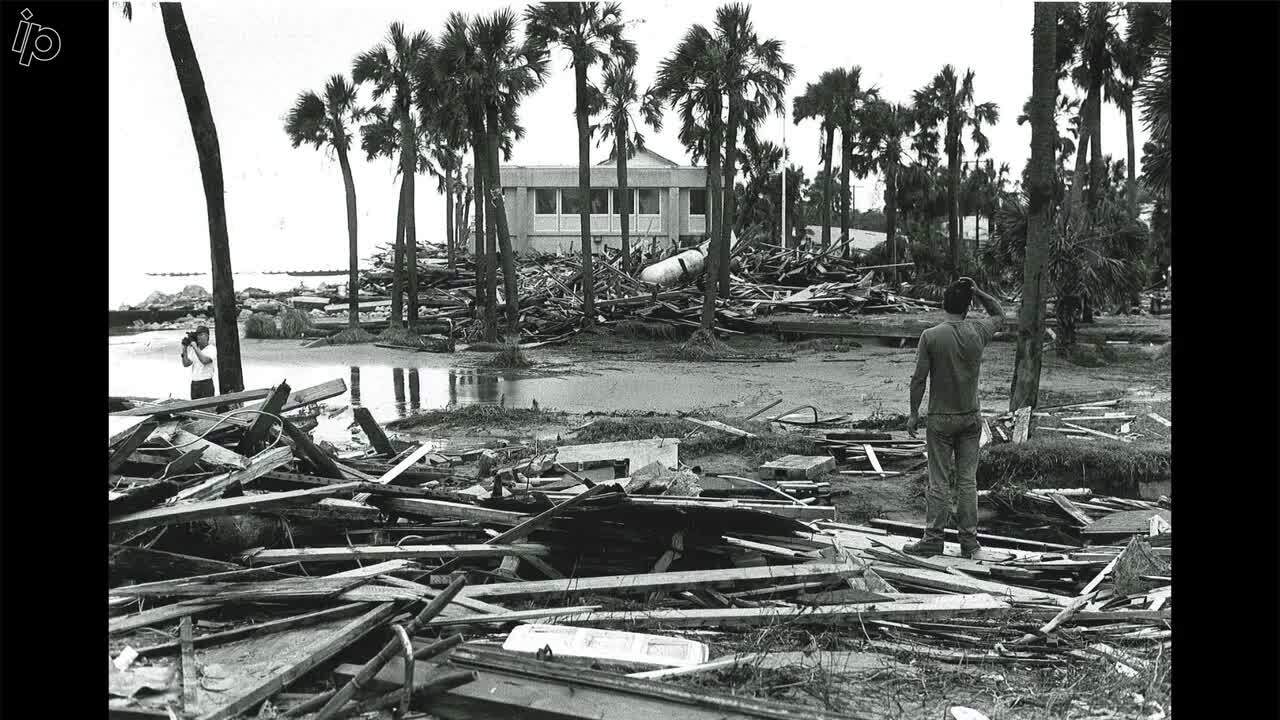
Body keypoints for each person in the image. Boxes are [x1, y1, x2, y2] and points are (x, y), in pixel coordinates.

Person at [903, 277, 1005, 560]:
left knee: (938, 481)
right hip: (971, 417)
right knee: (967, 481)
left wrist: (913, 414)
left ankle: (933, 540)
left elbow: (918, 380)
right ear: (967, 306)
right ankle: (970, 544)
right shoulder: (977, 331)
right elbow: (999, 313)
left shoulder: (931, 336)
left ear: (944, 304)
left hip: (940, 418)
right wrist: (978, 290)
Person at [180, 325, 217, 399]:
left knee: (207, 408)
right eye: (197, 335)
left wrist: (195, 346)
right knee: (195, 409)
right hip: (194, 384)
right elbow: (186, 364)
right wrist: (184, 349)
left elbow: (204, 360)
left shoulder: (212, 349)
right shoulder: (194, 350)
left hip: (206, 383)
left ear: (207, 336)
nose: (198, 337)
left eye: (200, 335)